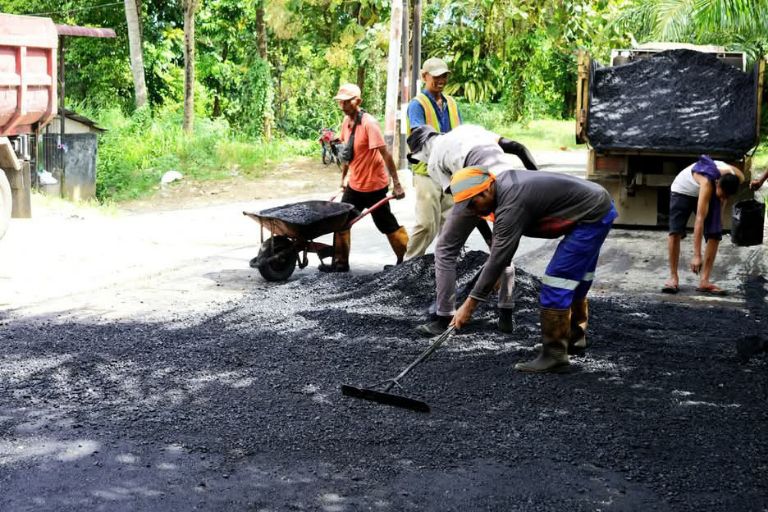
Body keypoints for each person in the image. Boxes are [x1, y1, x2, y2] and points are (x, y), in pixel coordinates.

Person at [449, 166, 618, 373]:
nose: (472, 211)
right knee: (578, 278)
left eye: (472, 204)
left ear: (485, 190)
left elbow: (498, 256)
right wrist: (495, 274)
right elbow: (504, 247)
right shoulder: (504, 189)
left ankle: (555, 355)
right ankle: (573, 337)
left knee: (557, 282)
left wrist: (469, 306)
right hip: (597, 206)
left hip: (591, 216)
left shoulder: (511, 203)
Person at [406, 123, 538, 336]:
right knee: (503, 251)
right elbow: (520, 148)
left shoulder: (434, 162)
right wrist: (536, 178)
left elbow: (470, 202)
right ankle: (505, 314)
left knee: (445, 249)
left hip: (483, 186)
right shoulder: (468, 130)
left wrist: (488, 238)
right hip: (512, 182)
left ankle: (444, 317)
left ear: (420, 151)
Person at [319, 83, 407, 273]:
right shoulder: (346, 122)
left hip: (375, 187)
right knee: (341, 222)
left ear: (357, 101)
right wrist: (343, 179)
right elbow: (346, 154)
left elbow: (386, 155)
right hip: (355, 186)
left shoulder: (369, 123)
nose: (342, 105)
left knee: (387, 225)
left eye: (346, 101)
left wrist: (397, 184)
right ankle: (340, 263)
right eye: (340, 102)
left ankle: (405, 260)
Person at [404, 57, 462, 259]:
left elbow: (460, 134)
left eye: (444, 76)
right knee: (427, 223)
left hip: (449, 173)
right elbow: (420, 136)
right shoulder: (417, 104)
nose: (441, 80)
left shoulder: (452, 104)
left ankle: (445, 264)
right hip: (426, 172)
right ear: (424, 76)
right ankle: (410, 264)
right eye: (436, 76)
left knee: (450, 224)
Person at [662, 155, 744, 295]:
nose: (724, 198)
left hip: (712, 187)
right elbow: (699, 219)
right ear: (717, 183)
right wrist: (696, 255)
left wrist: (720, 216)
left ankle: (704, 281)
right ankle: (673, 278)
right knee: (675, 232)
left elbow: (724, 197)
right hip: (683, 190)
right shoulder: (707, 181)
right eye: (722, 194)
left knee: (715, 233)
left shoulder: (737, 176)